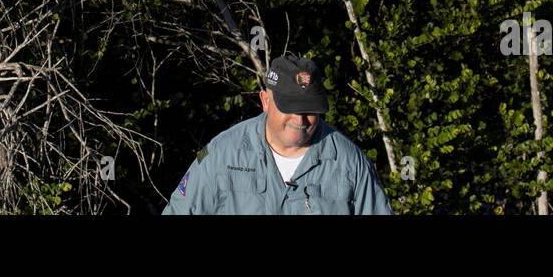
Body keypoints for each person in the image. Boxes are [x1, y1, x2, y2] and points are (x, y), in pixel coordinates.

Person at [162, 53, 393, 214]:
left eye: (310, 110)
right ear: (265, 100)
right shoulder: (222, 154)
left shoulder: (350, 163)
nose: (299, 120)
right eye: (289, 107)